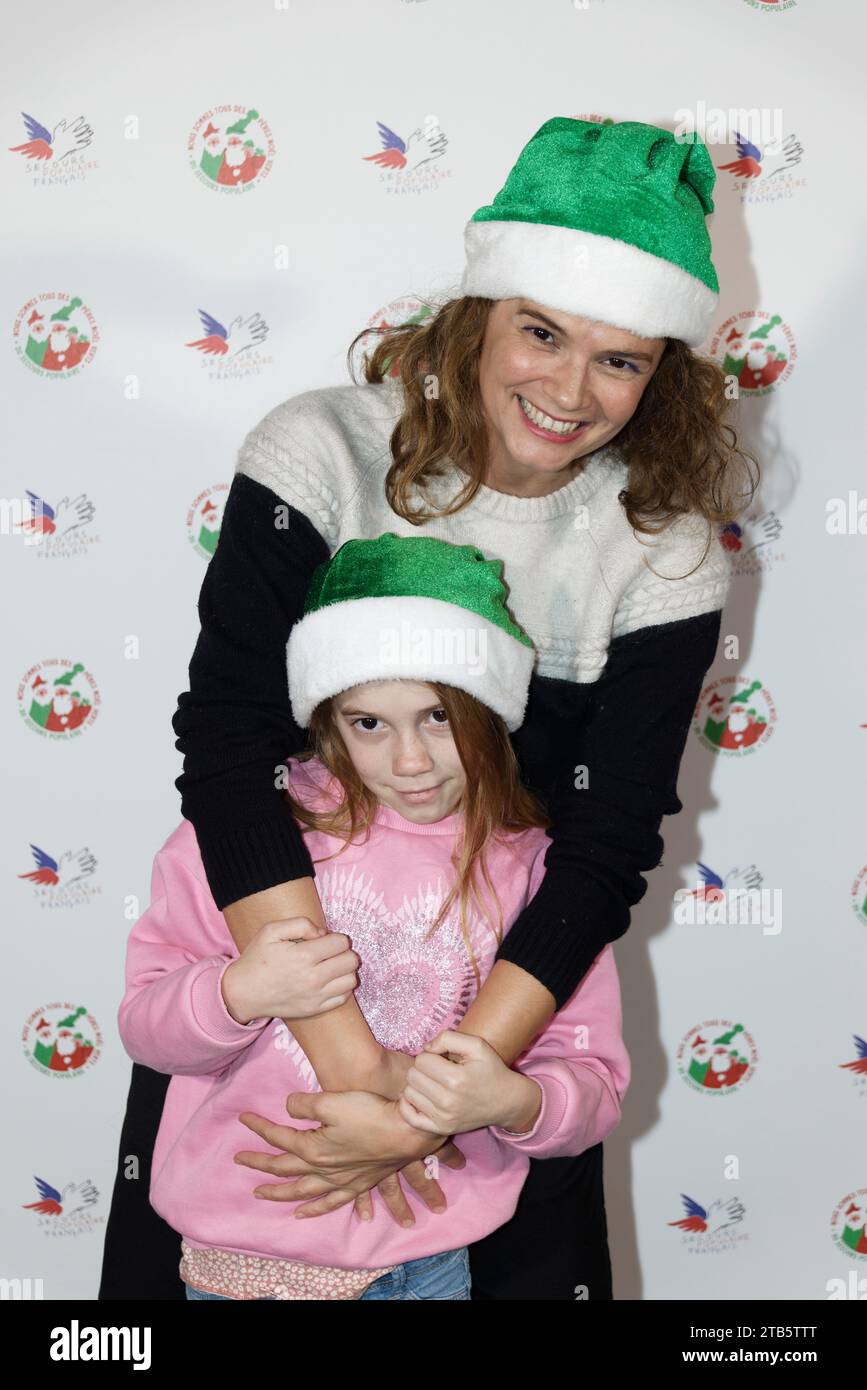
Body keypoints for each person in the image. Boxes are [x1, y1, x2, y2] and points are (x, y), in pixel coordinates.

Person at [100, 116, 757, 1301]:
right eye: (541, 334)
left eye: (621, 359)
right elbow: (229, 750)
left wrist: (431, 1108)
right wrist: (351, 1073)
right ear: (478, 314)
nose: (569, 391)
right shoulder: (320, 453)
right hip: (269, 1075)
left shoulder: (661, 555)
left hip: (491, 1066)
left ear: (663, 373)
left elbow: (605, 849)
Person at [117, 533, 630, 1300]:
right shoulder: (242, 836)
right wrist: (236, 993)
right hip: (241, 1261)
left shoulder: (536, 870)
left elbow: (591, 1083)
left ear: (491, 709)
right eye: (368, 723)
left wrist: (514, 1101)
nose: (410, 760)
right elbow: (145, 1030)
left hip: (429, 1263)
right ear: (325, 717)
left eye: (435, 715)